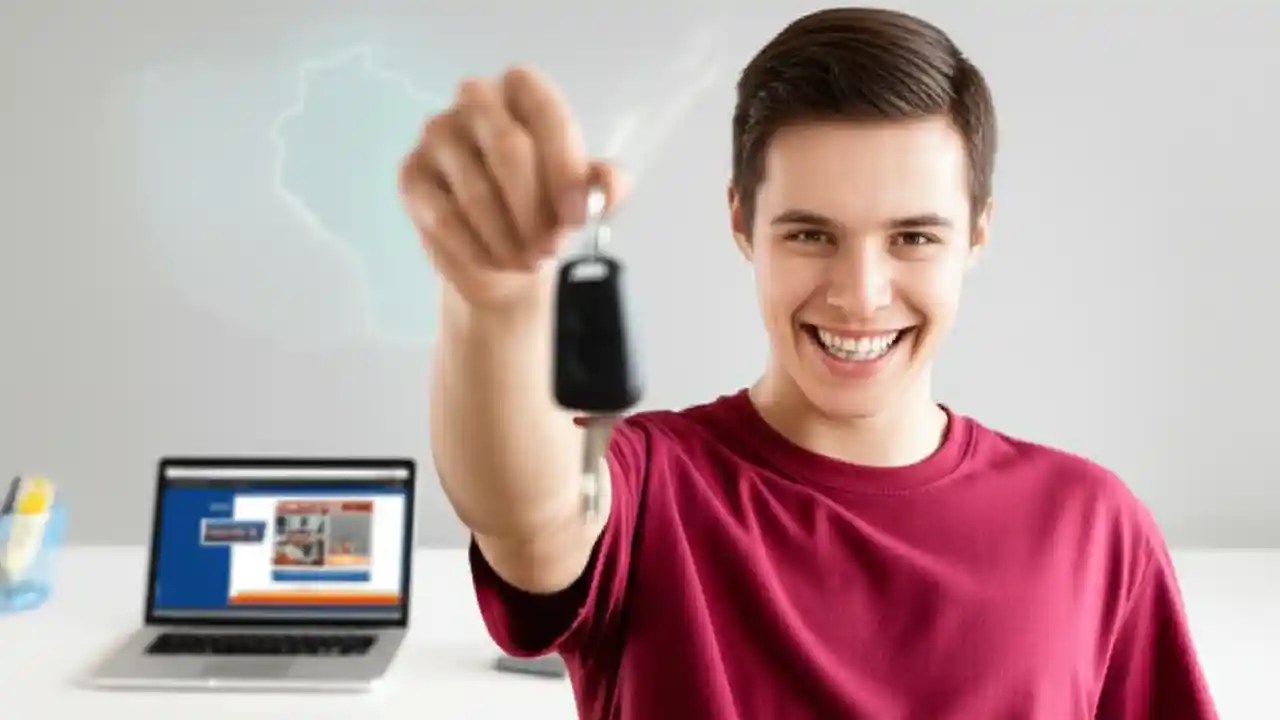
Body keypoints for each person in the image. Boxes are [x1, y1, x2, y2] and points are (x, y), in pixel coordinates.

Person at [398, 6, 1220, 719]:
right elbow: (526, 516)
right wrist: (494, 298)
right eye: (810, 234)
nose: (860, 294)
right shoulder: (652, 493)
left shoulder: (1093, 526)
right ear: (742, 223)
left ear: (977, 234)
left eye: (913, 237)